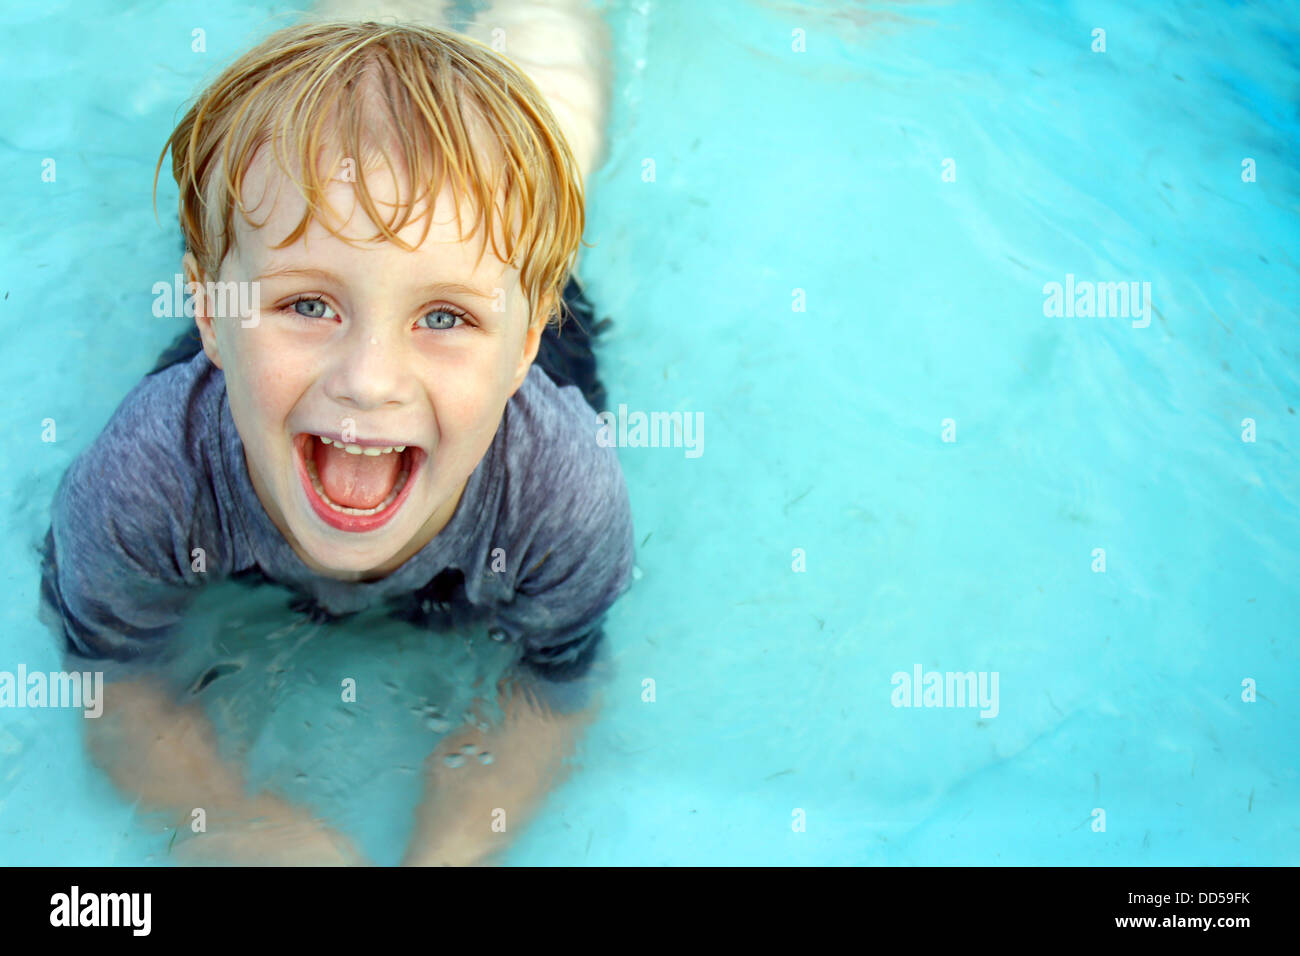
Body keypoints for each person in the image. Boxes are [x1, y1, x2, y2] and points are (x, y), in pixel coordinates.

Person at [38, 5, 632, 866]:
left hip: (508, 315)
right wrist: (231, 816)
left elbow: (553, 691)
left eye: (442, 315)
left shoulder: (560, 492)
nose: (368, 379)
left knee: (550, 112)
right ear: (210, 312)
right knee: (344, 72)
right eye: (306, 304)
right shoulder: (149, 478)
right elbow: (113, 683)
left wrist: (448, 853)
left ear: (524, 342)